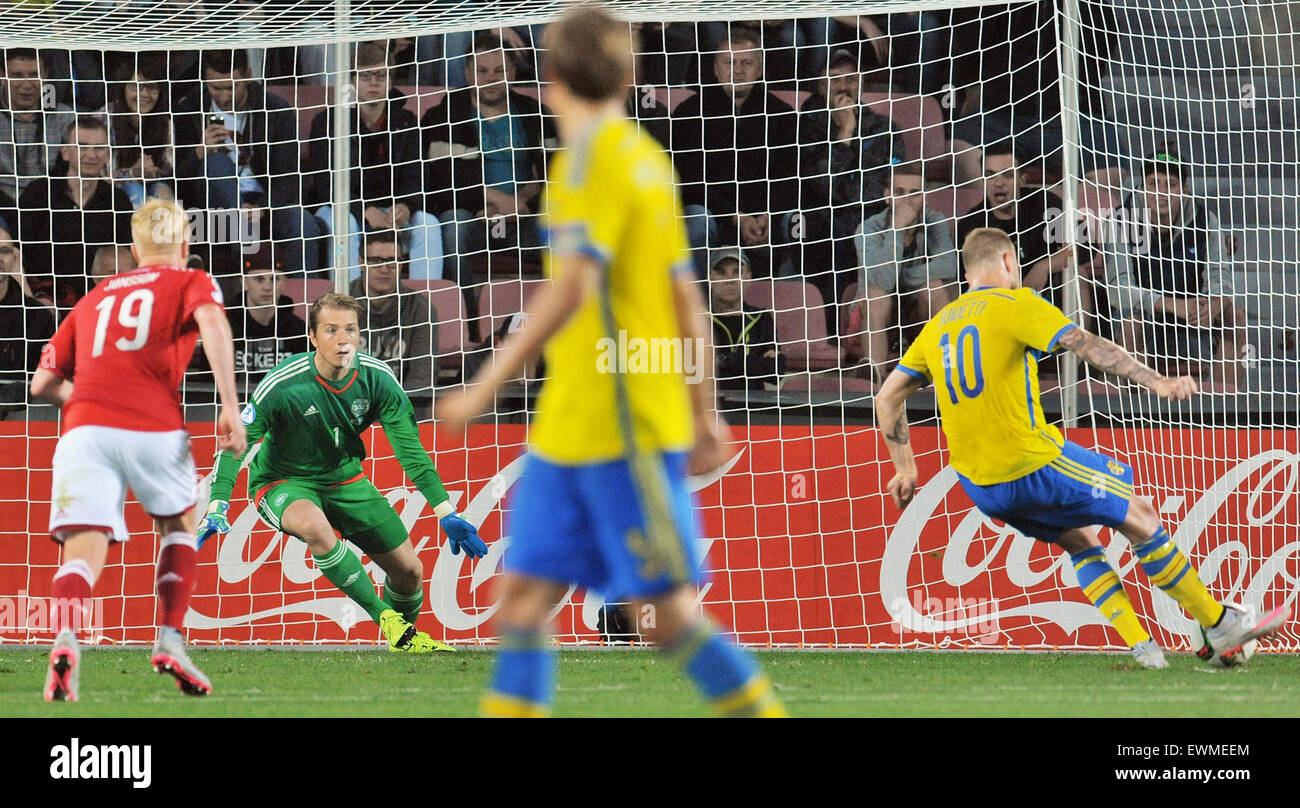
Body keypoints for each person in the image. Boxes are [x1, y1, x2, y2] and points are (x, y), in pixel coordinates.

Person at [438, 6, 785, 718]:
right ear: (630, 76)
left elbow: (570, 289)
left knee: (667, 620)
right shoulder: (647, 159)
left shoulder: (586, 163)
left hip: (622, 428)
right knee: (524, 602)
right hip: (572, 425)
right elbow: (688, 301)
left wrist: (483, 387)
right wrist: (705, 409)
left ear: (550, 74)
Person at [874, 227, 1289, 669]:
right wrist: (1158, 381)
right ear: (1010, 262)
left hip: (980, 485)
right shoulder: (1017, 304)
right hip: (1030, 462)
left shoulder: (939, 325)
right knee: (1142, 515)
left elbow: (886, 396)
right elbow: (1084, 344)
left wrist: (905, 468)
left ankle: (1143, 648)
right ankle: (1219, 624)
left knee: (1077, 538)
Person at [30, 198, 247, 702]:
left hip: (84, 430)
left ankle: (65, 641)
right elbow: (213, 324)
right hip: (153, 424)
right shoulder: (190, 280)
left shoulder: (95, 297)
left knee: (83, 549)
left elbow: (43, 381)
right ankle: (170, 639)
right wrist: (229, 405)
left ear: (132, 250)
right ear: (185, 247)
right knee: (179, 524)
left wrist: (87, 399)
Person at [198, 292, 486, 654]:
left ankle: (404, 645)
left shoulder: (378, 380)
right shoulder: (283, 385)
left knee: (410, 573)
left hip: (346, 480)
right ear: (313, 338)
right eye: (331, 330)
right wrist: (218, 503)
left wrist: (445, 511)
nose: (342, 339)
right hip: (283, 482)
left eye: (350, 329)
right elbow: (234, 445)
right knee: (316, 527)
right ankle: (385, 618)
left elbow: (410, 452)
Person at [1105, 150, 1248, 386]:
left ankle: (1225, 410)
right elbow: (1117, 290)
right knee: (1131, 323)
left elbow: (1219, 274)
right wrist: (1171, 304)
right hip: (1143, 314)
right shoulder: (1121, 220)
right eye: (1154, 184)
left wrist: (1216, 302)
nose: (1161, 192)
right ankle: (1137, 412)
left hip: (1191, 315)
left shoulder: (1205, 219)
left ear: (1183, 190)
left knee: (1235, 316)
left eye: (1170, 184)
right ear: (1142, 188)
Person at [173, 49, 324, 274]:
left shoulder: (276, 111)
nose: (224, 96)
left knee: (303, 224)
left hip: (264, 206)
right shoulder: (188, 110)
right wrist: (198, 153)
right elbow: (177, 180)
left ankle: (303, 301)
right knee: (216, 164)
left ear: (248, 75)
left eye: (232, 87)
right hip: (211, 213)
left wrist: (262, 207)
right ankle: (243, 236)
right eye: (215, 88)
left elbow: (290, 179)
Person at [422, 31, 554, 288]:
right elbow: (443, 179)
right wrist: (496, 202)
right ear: (467, 72)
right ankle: (465, 321)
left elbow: (554, 171)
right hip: (475, 219)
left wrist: (520, 204)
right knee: (453, 226)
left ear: (513, 72)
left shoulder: (536, 114)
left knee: (569, 232)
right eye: (482, 71)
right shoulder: (444, 114)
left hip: (524, 219)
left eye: (499, 71)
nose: (490, 79)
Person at [671, 25, 799, 280]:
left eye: (746, 63)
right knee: (696, 218)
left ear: (760, 69)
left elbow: (790, 176)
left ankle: (796, 299)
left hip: (766, 219)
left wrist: (767, 215)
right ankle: (693, 298)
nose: (737, 70)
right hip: (717, 218)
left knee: (800, 223)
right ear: (715, 68)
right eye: (729, 62)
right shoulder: (689, 113)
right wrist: (736, 217)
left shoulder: (782, 115)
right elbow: (688, 180)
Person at [305, 42, 441, 280]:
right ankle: (349, 302)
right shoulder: (328, 122)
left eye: (381, 75)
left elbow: (417, 175)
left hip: (391, 213)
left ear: (390, 80)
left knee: (427, 224)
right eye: (365, 75)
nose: (374, 82)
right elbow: (325, 183)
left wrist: (406, 207)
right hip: (343, 208)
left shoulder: (407, 121)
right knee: (343, 222)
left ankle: (425, 305)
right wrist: (363, 209)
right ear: (353, 80)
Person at [796, 47, 903, 333]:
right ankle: (834, 333)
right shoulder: (803, 128)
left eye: (851, 79)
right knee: (839, 230)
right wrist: (844, 134)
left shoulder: (884, 128)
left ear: (862, 84)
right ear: (820, 85)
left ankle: (882, 331)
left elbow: (886, 182)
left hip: (872, 214)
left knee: (870, 229)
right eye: (835, 78)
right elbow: (822, 186)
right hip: (820, 218)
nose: (844, 86)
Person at [855, 159, 957, 383]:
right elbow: (882, 282)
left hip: (916, 313)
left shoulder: (935, 220)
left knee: (936, 288)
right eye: (899, 192)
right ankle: (874, 376)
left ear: (924, 197)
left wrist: (903, 276)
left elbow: (949, 266)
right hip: (876, 315)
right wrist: (897, 230)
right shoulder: (868, 229)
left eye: (914, 193)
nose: (907, 201)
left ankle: (943, 374)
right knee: (875, 295)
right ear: (886, 195)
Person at [18, 115, 134, 311]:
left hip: (101, 304)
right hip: (44, 303)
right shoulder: (37, 194)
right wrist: (33, 300)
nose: (91, 154)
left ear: (107, 155)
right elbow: (18, 256)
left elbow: (123, 260)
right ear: (65, 152)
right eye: (82, 146)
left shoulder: (118, 201)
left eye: (98, 148)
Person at [956, 141, 1080, 311]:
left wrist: (1043, 267)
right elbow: (970, 285)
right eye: (990, 175)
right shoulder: (972, 225)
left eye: (1007, 175)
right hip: (998, 307)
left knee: (1078, 274)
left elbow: (1086, 247)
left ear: (1022, 179)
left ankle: (1076, 337)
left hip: (1048, 300)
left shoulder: (1044, 203)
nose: (998, 183)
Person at [347, 230, 436, 417]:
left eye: (392, 261)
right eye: (376, 261)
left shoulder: (420, 308)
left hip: (402, 411)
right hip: (348, 409)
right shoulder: (339, 304)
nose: (385, 269)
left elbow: (422, 376)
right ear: (361, 263)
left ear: (402, 263)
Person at [0, 48, 76, 211]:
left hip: (49, 204)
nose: (27, 85)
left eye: (34, 75)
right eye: (17, 76)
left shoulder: (64, 117)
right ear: (2, 76)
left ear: (46, 74)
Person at [227, 243, 308, 388]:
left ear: (284, 283)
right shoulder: (225, 328)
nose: (267, 287)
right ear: (244, 283)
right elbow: (205, 386)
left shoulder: (298, 331)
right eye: (259, 279)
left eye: (274, 279)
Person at [708, 248, 780, 391]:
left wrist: (720, 361)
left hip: (752, 407)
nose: (730, 280)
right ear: (709, 278)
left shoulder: (761, 318)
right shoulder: (696, 318)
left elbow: (775, 370)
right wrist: (751, 362)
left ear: (748, 278)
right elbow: (692, 369)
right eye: (721, 273)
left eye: (737, 272)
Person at [0, 227, 54, 407]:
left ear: (14, 259)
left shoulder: (37, 316)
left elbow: (49, 377)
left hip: (23, 419)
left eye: (4, 251)